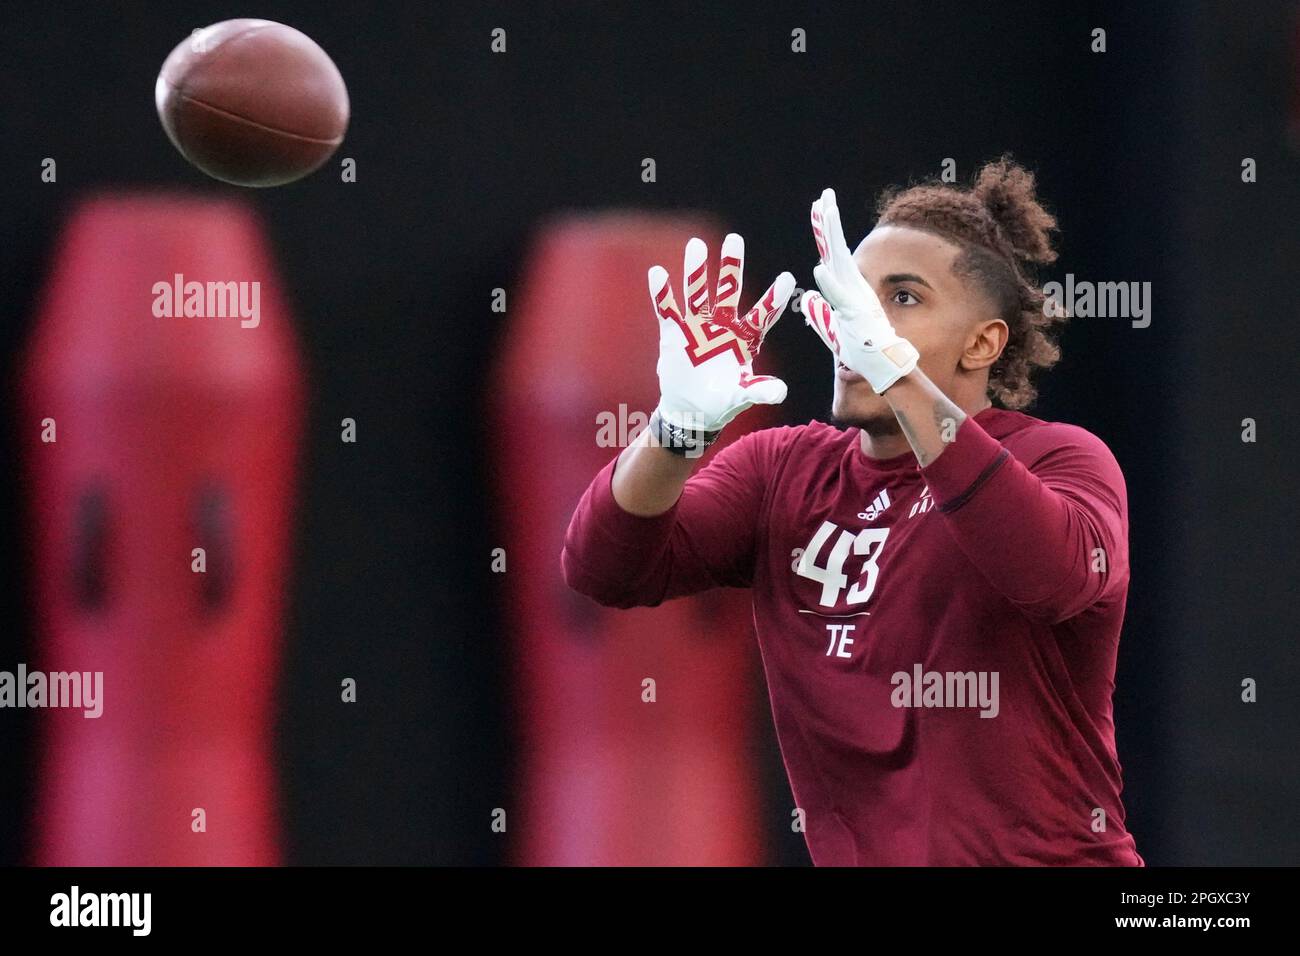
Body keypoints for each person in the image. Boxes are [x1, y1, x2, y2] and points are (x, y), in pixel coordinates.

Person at [561, 158, 1143, 866]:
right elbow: (603, 568)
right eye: (849, 300)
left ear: (984, 342)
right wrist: (676, 428)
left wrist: (900, 377)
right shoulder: (782, 471)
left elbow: (1050, 575)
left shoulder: (1063, 461)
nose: (856, 323)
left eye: (901, 298)